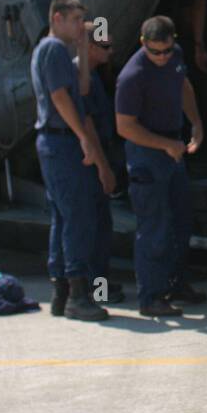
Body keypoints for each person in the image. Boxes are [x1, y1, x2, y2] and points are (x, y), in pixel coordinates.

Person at [32, 0, 117, 322]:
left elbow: (80, 88)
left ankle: (62, 292)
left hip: (56, 143)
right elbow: (60, 96)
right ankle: (78, 295)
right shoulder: (52, 49)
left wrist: (82, 47)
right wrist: (83, 138)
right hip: (62, 142)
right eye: (75, 19)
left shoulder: (58, 52)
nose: (80, 24)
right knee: (78, 217)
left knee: (64, 217)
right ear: (57, 18)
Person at [115, 15, 206, 318]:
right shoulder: (132, 76)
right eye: (155, 52)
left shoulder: (175, 58)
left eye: (167, 50)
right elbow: (125, 127)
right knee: (154, 226)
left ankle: (176, 283)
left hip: (173, 148)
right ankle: (150, 297)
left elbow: (183, 87)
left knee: (181, 221)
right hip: (147, 153)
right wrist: (164, 145)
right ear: (143, 44)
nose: (162, 57)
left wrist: (195, 123)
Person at [76, 21, 124, 305]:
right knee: (92, 228)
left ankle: (99, 287)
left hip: (98, 156)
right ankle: (92, 288)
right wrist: (103, 167)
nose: (111, 51)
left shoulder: (94, 77)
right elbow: (88, 124)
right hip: (90, 162)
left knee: (101, 227)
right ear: (90, 48)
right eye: (106, 46)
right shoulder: (84, 79)